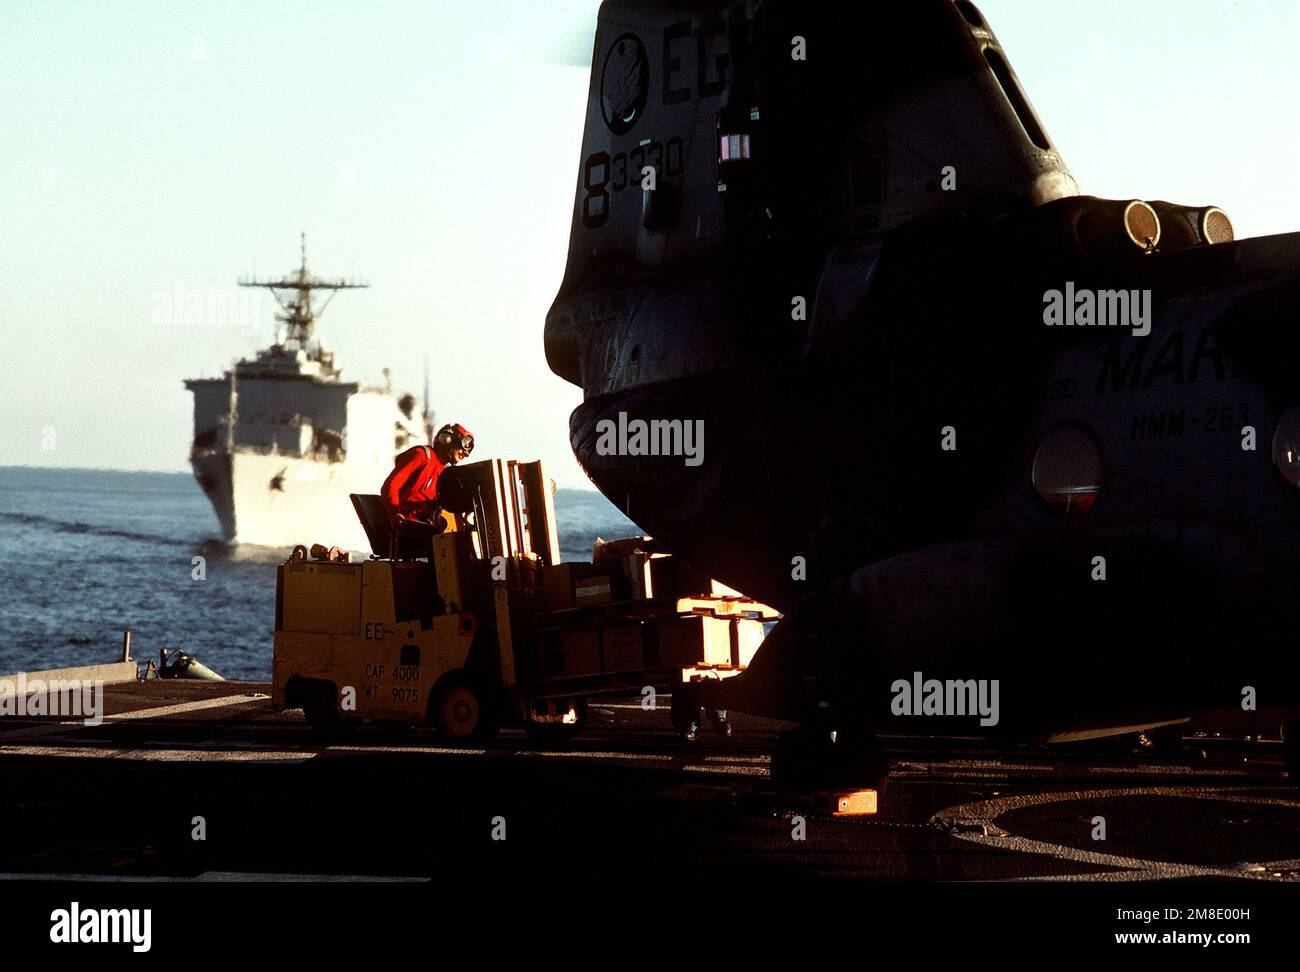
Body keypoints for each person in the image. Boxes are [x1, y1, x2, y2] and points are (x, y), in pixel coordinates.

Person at [380, 423, 474, 555]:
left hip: (420, 524)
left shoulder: (443, 473)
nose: (466, 454)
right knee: (442, 542)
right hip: (400, 526)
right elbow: (391, 484)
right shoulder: (421, 455)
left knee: (463, 538)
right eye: (462, 447)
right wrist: (394, 512)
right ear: (447, 440)